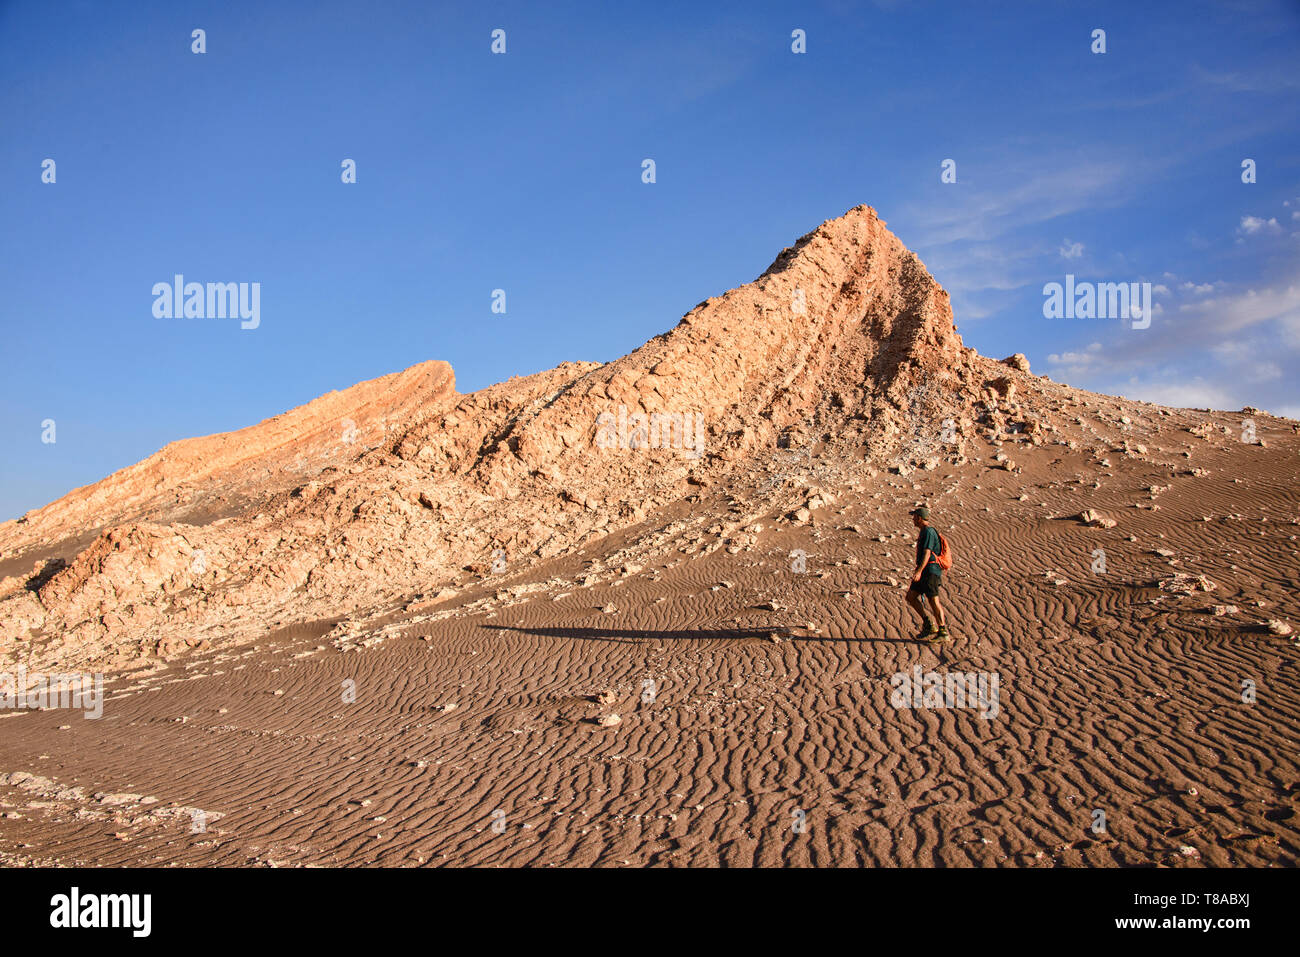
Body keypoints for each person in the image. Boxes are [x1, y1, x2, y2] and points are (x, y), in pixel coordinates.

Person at [905, 506, 949, 642]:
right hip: (924, 571)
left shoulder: (929, 532)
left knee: (933, 600)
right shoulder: (924, 531)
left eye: (914, 517)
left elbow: (927, 552)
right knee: (911, 597)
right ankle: (928, 624)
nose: (913, 519)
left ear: (919, 518)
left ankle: (943, 631)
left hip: (930, 571)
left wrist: (919, 571)